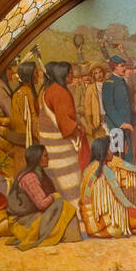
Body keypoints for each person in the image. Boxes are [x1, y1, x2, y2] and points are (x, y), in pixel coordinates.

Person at [6, 143, 81, 250]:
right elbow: (42, 204)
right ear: (37, 158)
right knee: (63, 205)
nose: (48, 158)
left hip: (32, 214)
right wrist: (54, 196)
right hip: (22, 221)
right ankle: (71, 238)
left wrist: (54, 197)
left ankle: (71, 238)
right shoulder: (30, 177)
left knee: (62, 206)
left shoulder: (40, 174)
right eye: (45, 156)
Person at [79, 135, 136, 237]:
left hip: (89, 223)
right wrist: (135, 209)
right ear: (102, 152)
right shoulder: (105, 170)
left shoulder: (88, 169)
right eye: (108, 149)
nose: (111, 152)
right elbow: (121, 200)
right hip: (104, 222)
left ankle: (123, 230)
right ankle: (124, 231)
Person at [38, 60, 89, 205]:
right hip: (59, 144)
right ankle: (74, 207)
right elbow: (64, 121)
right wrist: (78, 127)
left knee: (56, 178)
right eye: (70, 74)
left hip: (48, 142)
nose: (72, 76)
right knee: (69, 177)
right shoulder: (59, 92)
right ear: (63, 76)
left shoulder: (47, 89)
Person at [9, 62, 40, 178]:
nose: (38, 76)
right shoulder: (24, 93)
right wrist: (42, 135)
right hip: (24, 142)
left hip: (23, 140)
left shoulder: (23, 92)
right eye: (36, 73)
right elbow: (31, 118)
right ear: (29, 75)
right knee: (24, 175)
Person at [102, 54, 135, 160]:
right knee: (116, 155)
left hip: (126, 123)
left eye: (124, 66)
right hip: (115, 125)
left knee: (128, 153)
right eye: (122, 66)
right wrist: (121, 123)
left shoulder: (121, 81)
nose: (124, 68)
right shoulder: (109, 83)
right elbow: (109, 107)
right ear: (114, 67)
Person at [84, 64, 108, 141]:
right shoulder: (90, 88)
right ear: (93, 75)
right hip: (97, 120)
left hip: (109, 119)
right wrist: (89, 123)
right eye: (96, 73)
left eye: (100, 72)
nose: (99, 75)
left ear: (103, 73)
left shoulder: (109, 85)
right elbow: (88, 107)